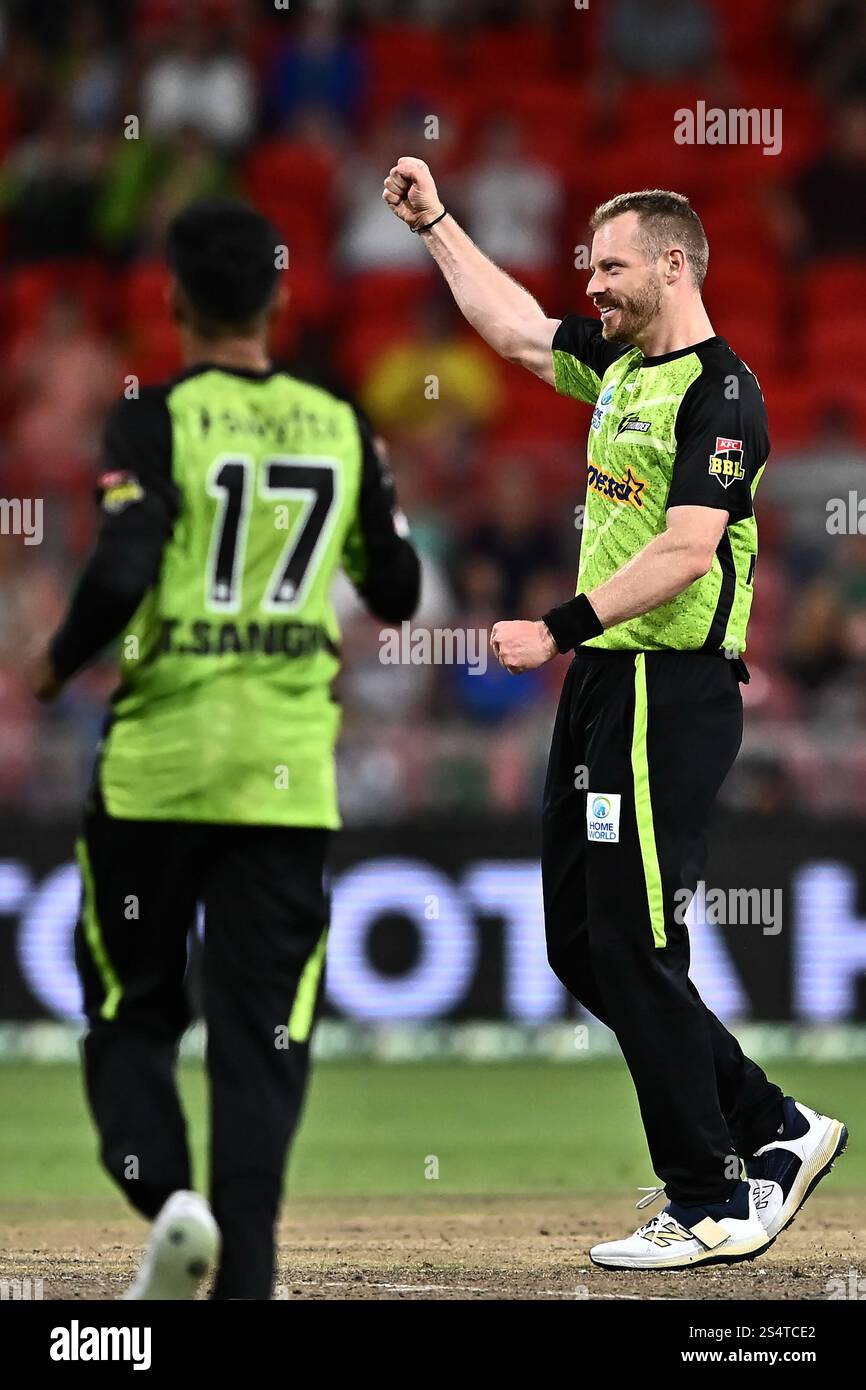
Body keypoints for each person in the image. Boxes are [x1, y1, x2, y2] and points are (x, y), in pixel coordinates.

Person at [382, 159, 847, 1271]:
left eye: (609, 265)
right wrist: (437, 222)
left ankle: (710, 1201)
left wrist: (558, 625)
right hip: (605, 686)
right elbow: (513, 334)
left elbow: (689, 550)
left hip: (661, 684)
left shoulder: (721, 393)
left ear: (673, 262)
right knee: (584, 950)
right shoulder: (621, 369)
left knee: (632, 945)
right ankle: (775, 1127)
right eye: (589, 265)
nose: (590, 283)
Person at [27, 196, 420, 1299]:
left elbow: (118, 569)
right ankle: (245, 1278)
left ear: (172, 298)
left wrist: (56, 666)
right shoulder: (339, 419)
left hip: (157, 768)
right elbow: (396, 591)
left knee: (131, 1016)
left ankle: (171, 1208)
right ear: (280, 296)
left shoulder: (152, 416)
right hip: (283, 781)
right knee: (262, 1040)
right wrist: (370, 503)